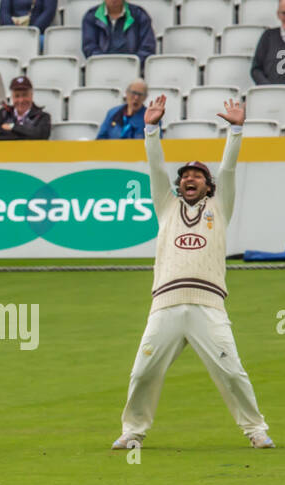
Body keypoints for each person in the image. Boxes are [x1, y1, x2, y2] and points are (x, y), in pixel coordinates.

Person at [114, 95, 274, 451]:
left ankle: (256, 430)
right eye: (185, 175)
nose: (190, 179)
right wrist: (151, 129)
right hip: (166, 305)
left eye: (198, 176)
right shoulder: (166, 206)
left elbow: (230, 170)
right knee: (143, 372)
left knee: (231, 371)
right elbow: (156, 168)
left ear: (208, 185)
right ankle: (133, 431)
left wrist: (235, 130)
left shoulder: (220, 207)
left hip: (208, 306)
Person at [82, 0, 155, 65]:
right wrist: (106, 65)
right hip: (101, 69)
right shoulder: (91, 16)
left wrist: (132, 65)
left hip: (134, 70)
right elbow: (89, 48)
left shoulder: (139, 15)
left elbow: (147, 48)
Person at [0, 75, 51, 140]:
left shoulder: (43, 116)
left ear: (31, 95)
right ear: (12, 97)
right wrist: (26, 134)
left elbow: (39, 135)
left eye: (25, 95)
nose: (21, 100)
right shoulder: (2, 113)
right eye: (17, 96)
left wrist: (12, 126)